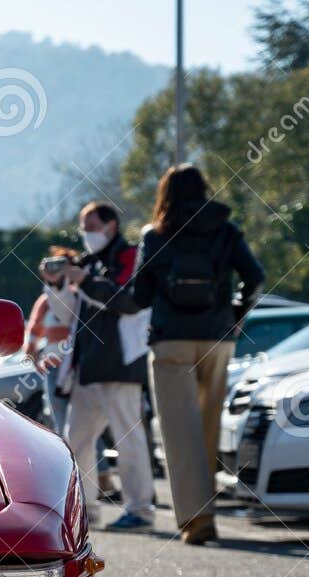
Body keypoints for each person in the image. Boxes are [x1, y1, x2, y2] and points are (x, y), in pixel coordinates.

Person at [124, 165, 263, 545]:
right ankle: (209, 512)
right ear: (204, 189)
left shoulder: (155, 235)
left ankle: (198, 521)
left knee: (179, 433)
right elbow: (256, 277)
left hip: (172, 341)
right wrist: (235, 314)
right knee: (208, 429)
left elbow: (138, 296)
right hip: (218, 338)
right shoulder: (226, 230)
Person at [62, 201, 155, 531]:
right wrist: (58, 283)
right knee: (75, 440)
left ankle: (140, 510)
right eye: (83, 228)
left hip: (120, 364)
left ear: (111, 225)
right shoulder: (88, 263)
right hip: (88, 367)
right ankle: (85, 509)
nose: (86, 234)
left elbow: (128, 301)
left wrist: (86, 282)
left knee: (129, 438)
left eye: (92, 227)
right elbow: (68, 316)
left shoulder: (130, 256)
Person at [24, 248, 79, 432]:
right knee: (59, 416)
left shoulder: (80, 295)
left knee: (82, 418)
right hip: (52, 364)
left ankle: (91, 459)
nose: (58, 272)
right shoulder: (46, 300)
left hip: (77, 364)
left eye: (62, 266)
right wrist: (32, 356)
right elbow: (34, 330)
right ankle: (72, 455)